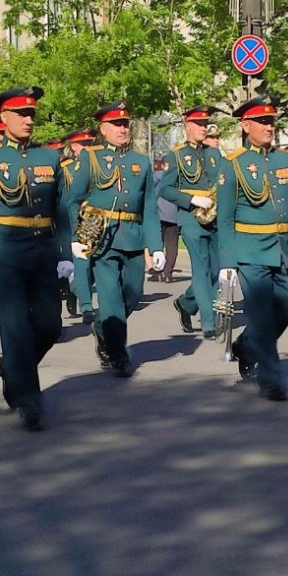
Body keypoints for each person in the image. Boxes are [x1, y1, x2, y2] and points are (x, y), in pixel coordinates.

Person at [0, 87, 73, 429]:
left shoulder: (49, 158)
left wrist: (66, 253)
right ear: (4, 118)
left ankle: (12, 367)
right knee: (14, 328)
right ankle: (29, 401)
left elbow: (62, 209)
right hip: (7, 250)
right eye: (21, 115)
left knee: (50, 326)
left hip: (43, 250)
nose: (29, 120)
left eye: (32, 115)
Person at [66, 101, 165, 378]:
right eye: (116, 124)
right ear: (103, 128)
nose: (123, 128)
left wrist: (155, 246)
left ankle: (103, 330)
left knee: (132, 295)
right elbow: (73, 200)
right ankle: (119, 355)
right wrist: (77, 236)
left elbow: (149, 207)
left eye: (125, 124)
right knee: (110, 299)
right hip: (103, 240)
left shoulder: (140, 162)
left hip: (132, 237)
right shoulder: (91, 157)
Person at [215, 96, 288, 401]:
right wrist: (227, 261)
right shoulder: (233, 164)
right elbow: (224, 219)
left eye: (271, 121)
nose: (269, 126)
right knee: (263, 315)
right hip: (250, 250)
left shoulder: (285, 161)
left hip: (282, 249)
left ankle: (246, 345)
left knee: (287, 309)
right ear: (245, 125)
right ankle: (272, 377)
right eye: (262, 121)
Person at [159, 104, 222, 336]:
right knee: (201, 270)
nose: (204, 128)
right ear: (188, 126)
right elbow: (164, 189)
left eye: (206, 124)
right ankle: (209, 322)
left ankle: (186, 304)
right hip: (192, 219)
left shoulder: (214, 154)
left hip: (215, 218)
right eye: (199, 124)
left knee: (217, 270)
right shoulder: (177, 155)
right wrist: (192, 198)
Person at [60, 128, 98, 321]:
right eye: (84, 145)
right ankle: (87, 307)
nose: (88, 148)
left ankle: (76, 289)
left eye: (90, 144)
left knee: (94, 268)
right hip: (76, 222)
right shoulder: (66, 169)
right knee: (83, 265)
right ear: (74, 147)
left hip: (99, 220)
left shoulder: (100, 165)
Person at [153, 157, 180, 283]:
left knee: (158, 244)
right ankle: (168, 273)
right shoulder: (178, 177)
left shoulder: (156, 176)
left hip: (158, 214)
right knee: (172, 246)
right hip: (173, 215)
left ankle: (157, 271)